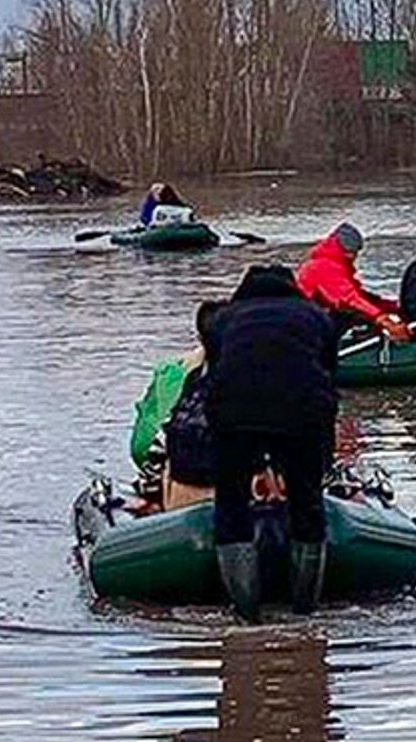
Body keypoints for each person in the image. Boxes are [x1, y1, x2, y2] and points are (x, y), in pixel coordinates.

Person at [203, 265, 339, 621]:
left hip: (235, 414)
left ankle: (247, 614)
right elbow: (328, 376)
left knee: (231, 505)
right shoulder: (317, 317)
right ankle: (304, 612)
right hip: (302, 411)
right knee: (307, 504)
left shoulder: (223, 320)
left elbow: (216, 373)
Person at [129, 301, 223, 511]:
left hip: (181, 504)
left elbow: (151, 450)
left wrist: (151, 493)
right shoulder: (256, 391)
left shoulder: (188, 387)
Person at [295, 223, 411, 342]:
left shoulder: (337, 265)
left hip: (319, 317)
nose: (353, 257)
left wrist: (390, 306)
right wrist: (381, 318)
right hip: (310, 322)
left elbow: (358, 295)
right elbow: (349, 299)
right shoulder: (322, 266)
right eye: (350, 252)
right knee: (355, 315)